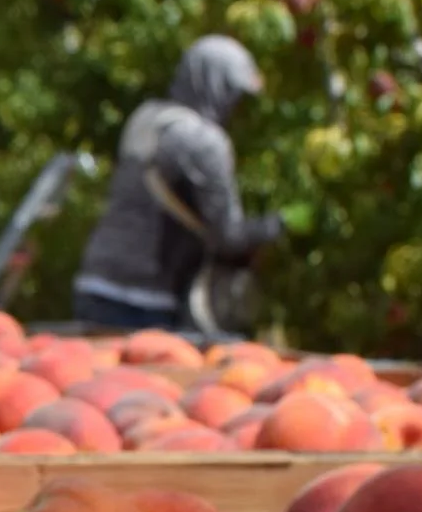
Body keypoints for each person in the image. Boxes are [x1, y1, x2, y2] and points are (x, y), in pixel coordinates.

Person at [73, 35, 309, 336]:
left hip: (94, 282)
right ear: (217, 86)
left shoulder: (145, 118)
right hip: (145, 298)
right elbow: (229, 236)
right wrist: (282, 223)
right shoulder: (205, 142)